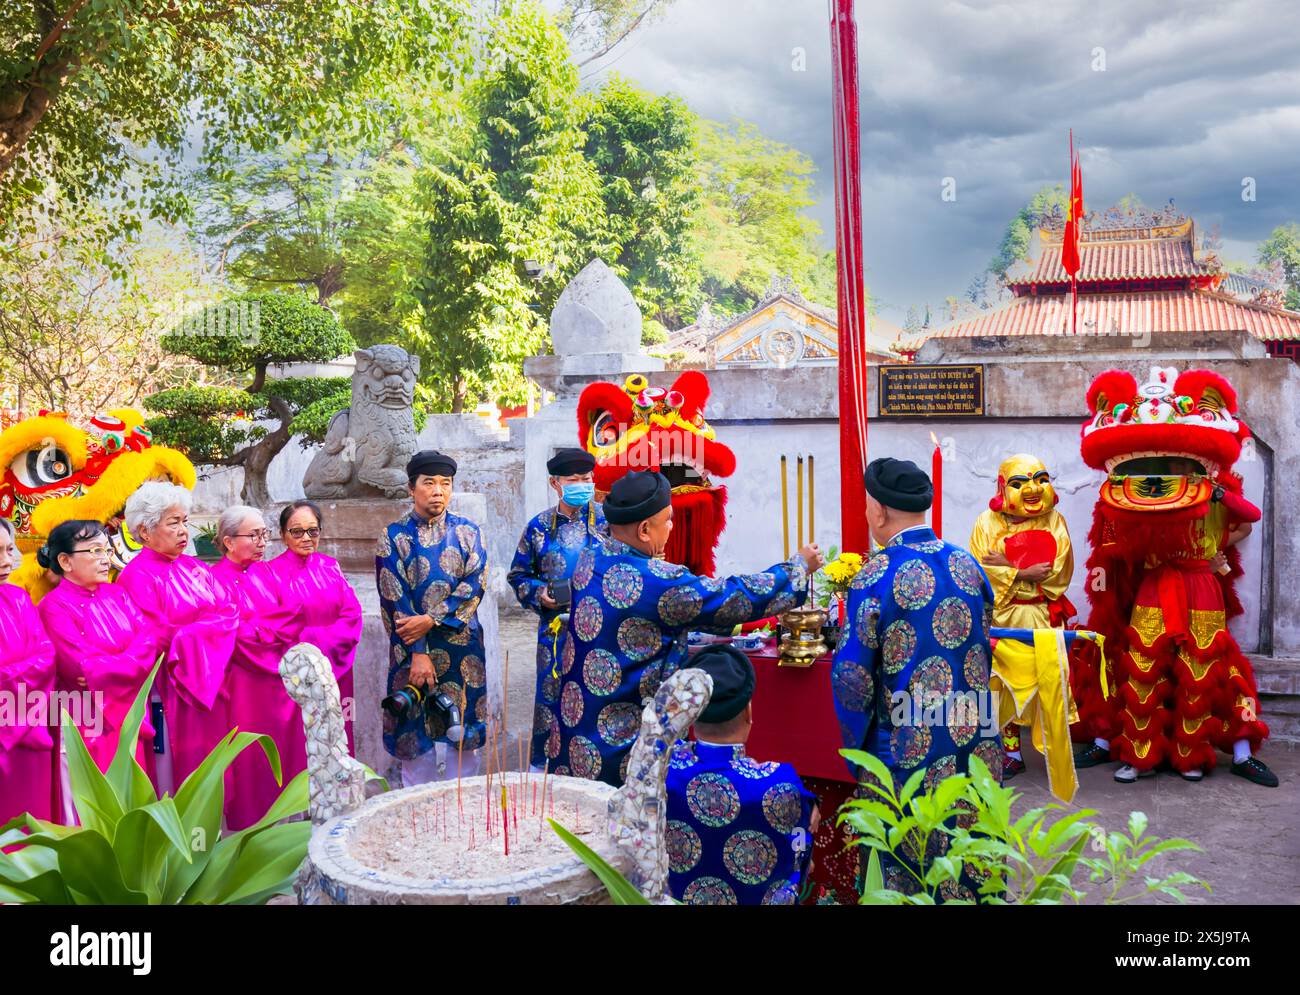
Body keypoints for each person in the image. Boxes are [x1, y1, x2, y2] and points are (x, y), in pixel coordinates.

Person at [555, 469, 824, 786]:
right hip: (626, 751)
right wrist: (797, 567)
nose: (671, 528)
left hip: (574, 737)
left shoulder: (590, 557)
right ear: (644, 529)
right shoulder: (656, 581)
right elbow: (732, 597)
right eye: (667, 521)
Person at [831, 458, 998, 901]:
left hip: (909, 751)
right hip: (976, 742)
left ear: (880, 512)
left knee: (910, 865)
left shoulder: (876, 575)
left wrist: (860, 756)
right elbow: (985, 648)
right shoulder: (967, 564)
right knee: (973, 855)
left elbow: (852, 679)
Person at [666, 645, 818, 905]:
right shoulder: (781, 783)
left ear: (690, 715)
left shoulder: (663, 768)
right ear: (749, 711)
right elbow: (801, 854)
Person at [377, 451, 490, 786]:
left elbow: (474, 586)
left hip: (462, 649)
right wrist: (420, 651)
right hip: (412, 654)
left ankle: (462, 808)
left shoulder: (469, 533)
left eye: (445, 483)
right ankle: (417, 810)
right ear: (412, 488)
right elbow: (394, 597)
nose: (438, 490)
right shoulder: (394, 537)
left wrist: (430, 619)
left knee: (463, 734)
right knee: (416, 738)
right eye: (429, 483)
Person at [118, 482, 239, 789]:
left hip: (213, 682)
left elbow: (229, 612)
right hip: (171, 687)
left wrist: (197, 633)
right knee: (175, 772)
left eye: (185, 521)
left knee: (213, 765)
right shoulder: (135, 576)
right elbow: (152, 633)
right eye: (174, 523)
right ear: (145, 532)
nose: (184, 530)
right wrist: (204, 632)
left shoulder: (196, 567)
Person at [967, 453, 1081, 780]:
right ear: (1003, 487)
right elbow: (977, 571)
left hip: (1042, 614)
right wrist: (1021, 572)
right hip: (1002, 617)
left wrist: (1006, 561)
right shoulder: (986, 522)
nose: (1032, 489)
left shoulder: (1054, 521)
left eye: (1040, 480)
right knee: (1000, 687)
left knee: (1047, 682)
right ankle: (1011, 752)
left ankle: (1055, 751)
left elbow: (1057, 568)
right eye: (1019, 483)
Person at [507, 447, 608, 767]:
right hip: (554, 634)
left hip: (601, 630)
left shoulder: (610, 522)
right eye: (574, 479)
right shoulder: (538, 527)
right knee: (551, 698)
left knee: (596, 695)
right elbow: (519, 575)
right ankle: (544, 767)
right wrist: (540, 595)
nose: (582, 484)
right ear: (556, 483)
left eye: (587, 479)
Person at [36, 520, 159, 779]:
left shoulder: (119, 595)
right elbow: (78, 668)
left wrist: (109, 667)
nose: (106, 559)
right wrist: (133, 665)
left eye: (107, 551)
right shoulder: (53, 607)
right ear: (66, 561)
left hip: (129, 715)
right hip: (86, 721)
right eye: (95, 551)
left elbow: (150, 642)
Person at [211, 505, 306, 830]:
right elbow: (233, 633)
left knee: (286, 756)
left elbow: (293, 616)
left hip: (281, 685)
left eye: (264, 534)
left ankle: (287, 829)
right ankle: (249, 836)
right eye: (254, 535)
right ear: (228, 541)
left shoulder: (269, 573)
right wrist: (269, 632)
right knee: (251, 759)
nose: (262, 542)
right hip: (245, 686)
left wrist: (263, 630)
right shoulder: (215, 581)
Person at [269, 500, 363, 753]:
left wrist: (322, 643)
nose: (306, 537)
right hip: (298, 673)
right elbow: (275, 626)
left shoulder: (331, 568)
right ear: (283, 535)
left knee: (340, 731)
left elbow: (352, 614)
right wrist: (312, 648)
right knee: (301, 742)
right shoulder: (270, 574)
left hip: (338, 668)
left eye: (313, 530)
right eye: (296, 531)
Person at [0, 518, 59, 824]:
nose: (6, 561)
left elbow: (47, 655)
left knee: (32, 824)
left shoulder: (19, 597)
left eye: (9, 549)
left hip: (30, 730)